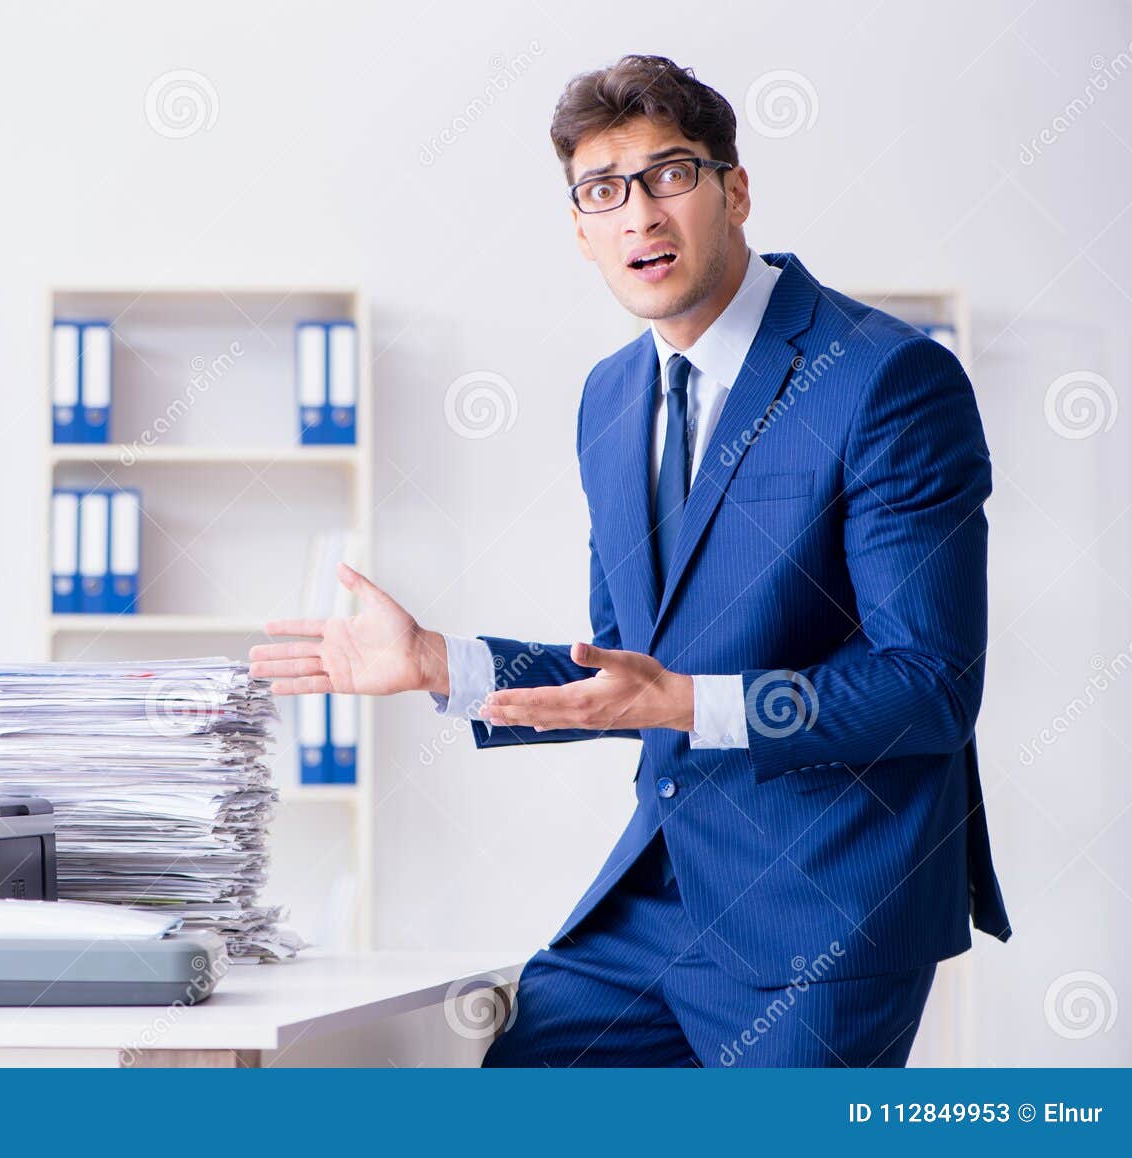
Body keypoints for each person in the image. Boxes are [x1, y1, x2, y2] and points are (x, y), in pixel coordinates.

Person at [250, 54, 1010, 1067]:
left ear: (734, 190)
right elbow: (626, 670)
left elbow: (926, 689)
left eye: (670, 175)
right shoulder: (611, 398)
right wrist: (441, 663)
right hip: (659, 896)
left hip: (824, 905)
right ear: (580, 229)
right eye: (603, 191)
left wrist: (689, 702)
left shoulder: (885, 381)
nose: (638, 214)